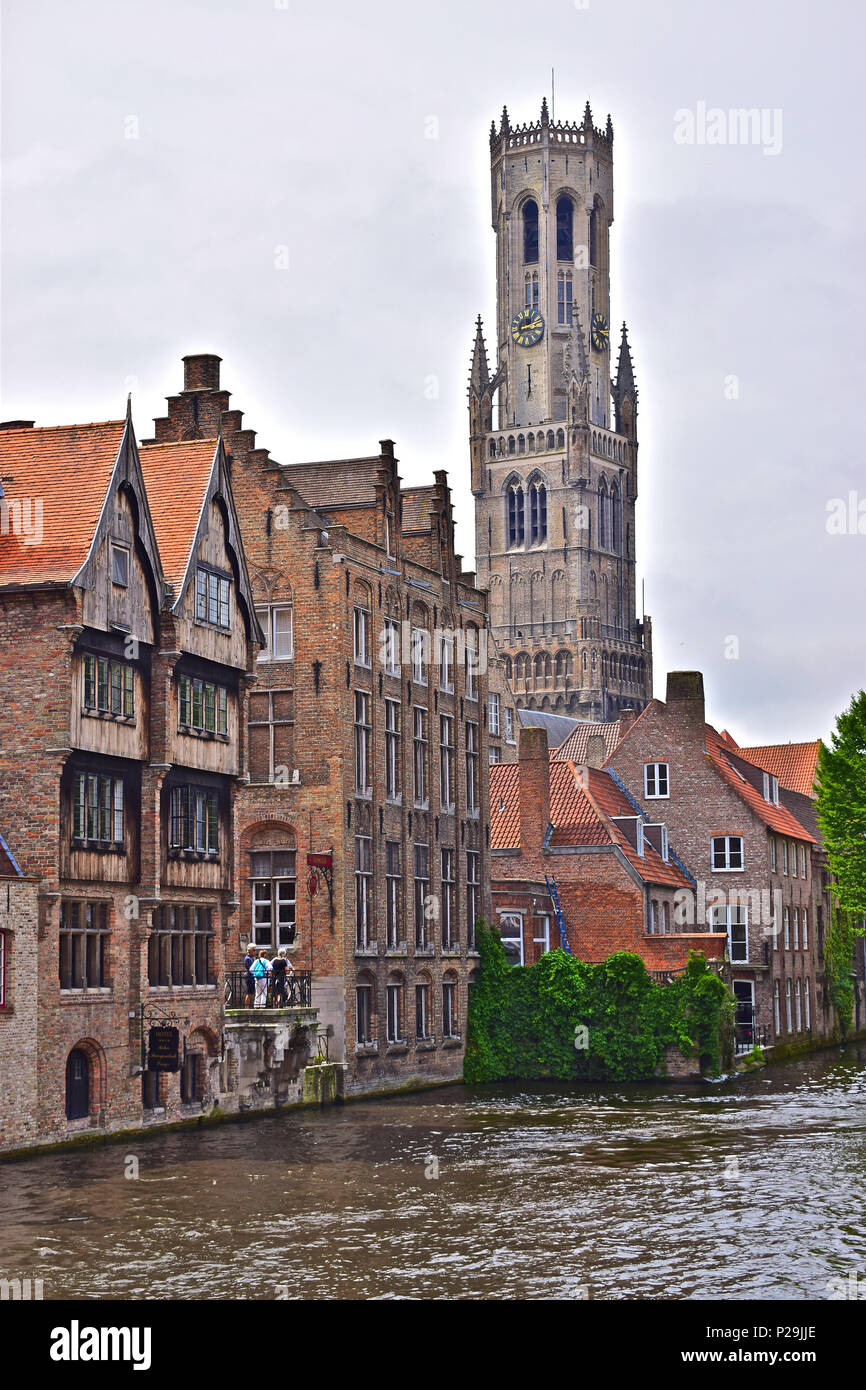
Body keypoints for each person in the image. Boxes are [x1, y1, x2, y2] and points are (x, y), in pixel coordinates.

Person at [243, 943, 256, 1008]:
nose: (255, 951)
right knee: (249, 993)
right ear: (250, 950)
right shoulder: (248, 958)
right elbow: (251, 968)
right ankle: (246, 1007)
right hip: (249, 977)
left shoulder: (251, 958)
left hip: (251, 977)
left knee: (251, 993)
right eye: (254, 950)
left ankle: (249, 1006)